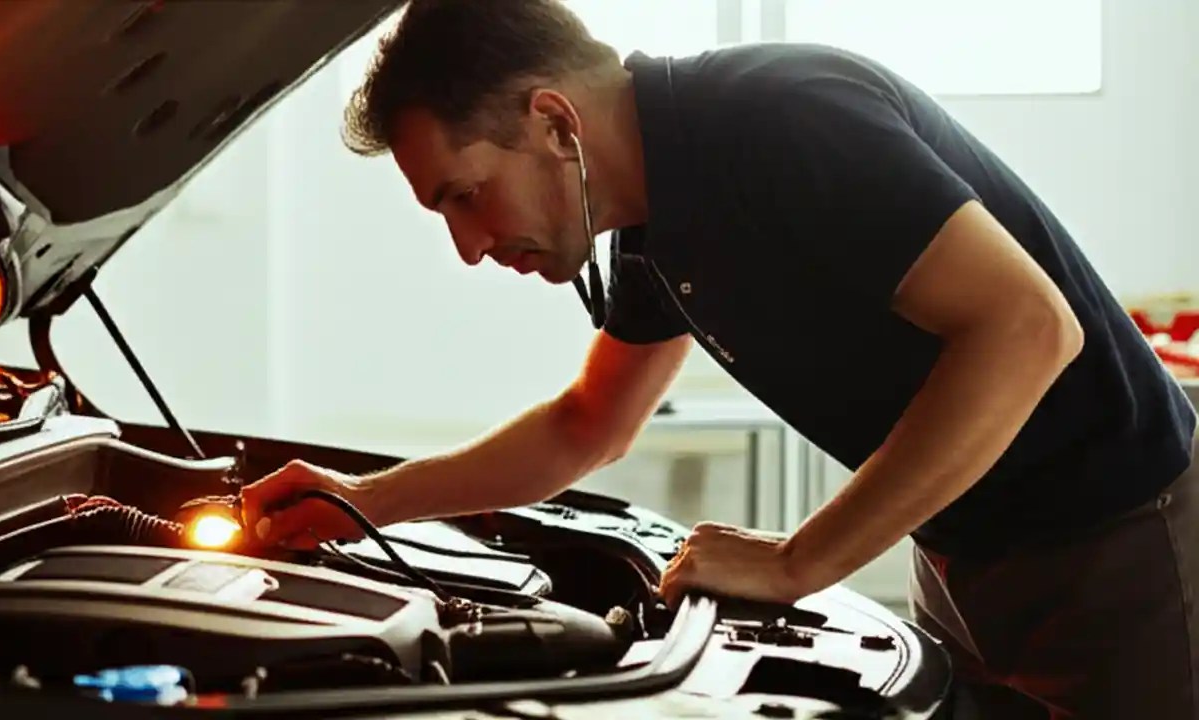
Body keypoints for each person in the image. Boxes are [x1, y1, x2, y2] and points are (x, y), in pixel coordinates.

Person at [240, 1, 1199, 716]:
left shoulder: (784, 120)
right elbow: (589, 425)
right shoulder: (656, 224)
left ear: (553, 123)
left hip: (1122, 546)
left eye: (464, 194)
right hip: (959, 555)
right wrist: (364, 499)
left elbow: (1030, 328)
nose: (469, 246)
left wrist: (797, 562)